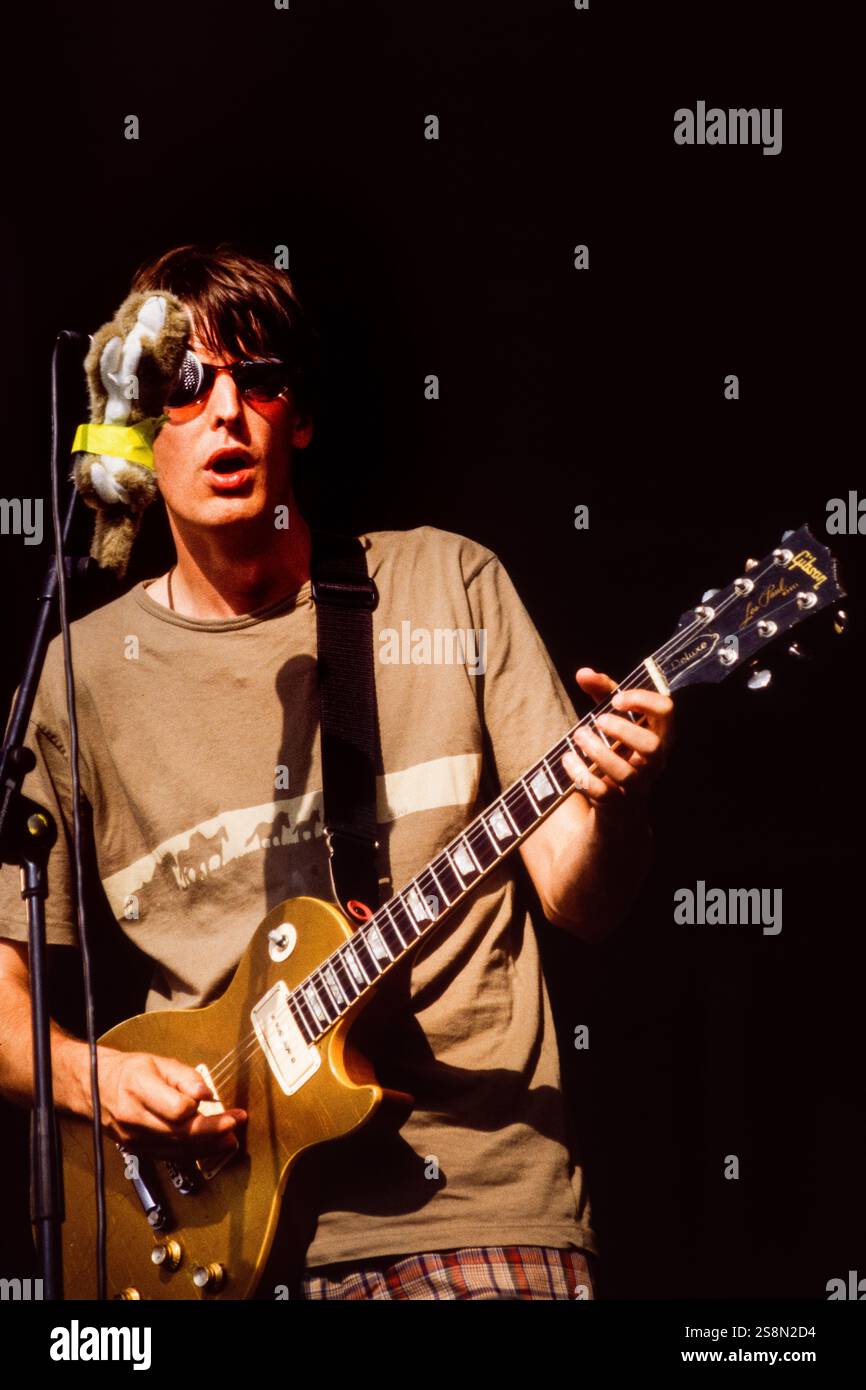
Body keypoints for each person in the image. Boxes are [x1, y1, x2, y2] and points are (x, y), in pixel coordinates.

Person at [0, 243, 674, 1300]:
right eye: (184, 384)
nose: (227, 411)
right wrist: (108, 1077)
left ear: (297, 417)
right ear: (134, 417)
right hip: (198, 1237)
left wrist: (613, 799)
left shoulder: (446, 584)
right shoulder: (80, 679)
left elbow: (579, 899)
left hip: (469, 1216)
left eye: (258, 380)